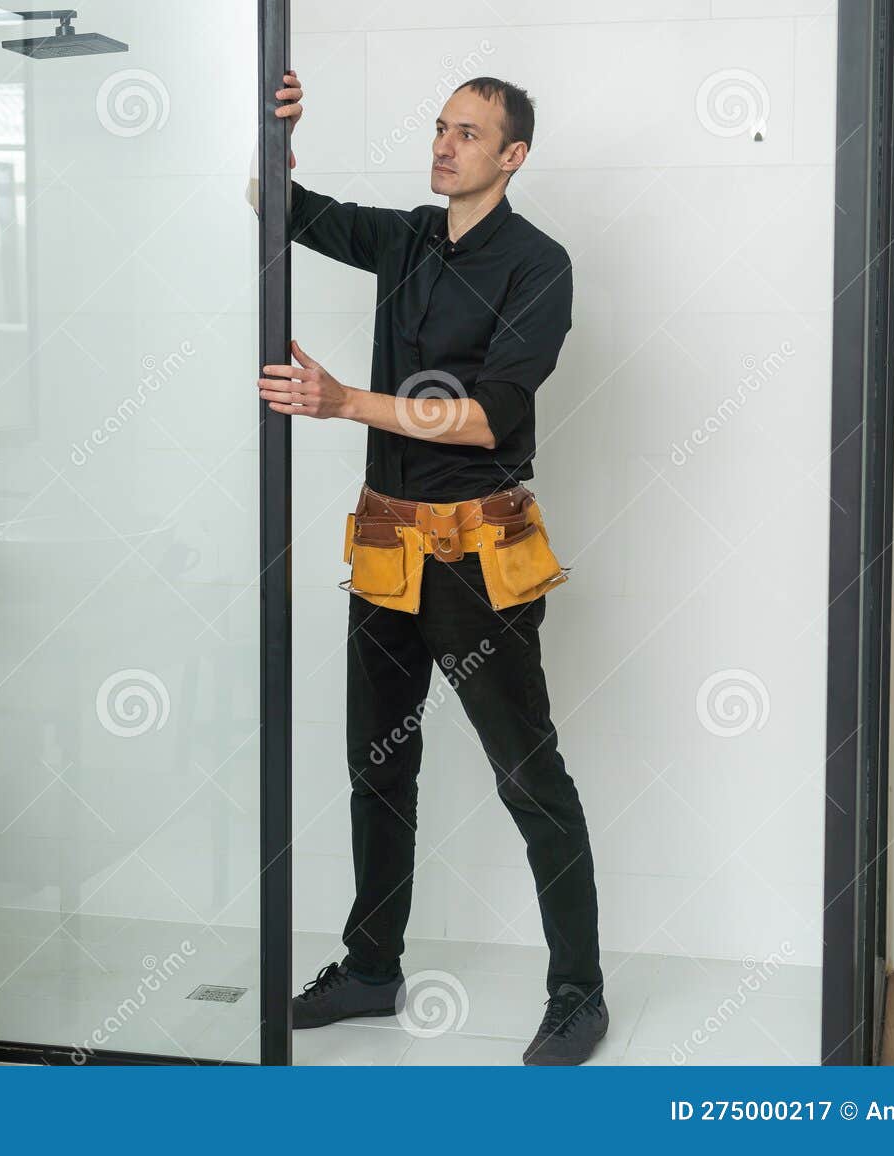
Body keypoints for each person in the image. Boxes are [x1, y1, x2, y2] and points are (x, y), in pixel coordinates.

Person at [257, 72, 607, 1065]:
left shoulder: (539, 264)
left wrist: (345, 402)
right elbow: (276, 207)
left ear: (512, 156)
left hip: (478, 554)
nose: (445, 145)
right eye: (441, 128)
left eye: (470, 134)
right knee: (376, 764)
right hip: (385, 544)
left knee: (529, 775)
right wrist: (274, 128)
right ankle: (372, 966)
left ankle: (578, 993)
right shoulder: (407, 238)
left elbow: (489, 417)